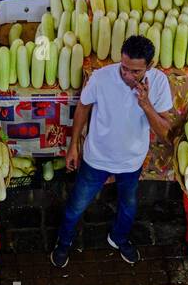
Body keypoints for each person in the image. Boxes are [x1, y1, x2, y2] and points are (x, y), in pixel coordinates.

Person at [51, 34, 174, 268]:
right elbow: (83, 107)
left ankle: (119, 238)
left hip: (131, 162)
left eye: (135, 72)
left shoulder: (159, 83)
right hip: (96, 158)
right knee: (77, 204)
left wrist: (146, 105)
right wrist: (73, 146)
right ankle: (64, 242)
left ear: (150, 66)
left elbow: (166, 132)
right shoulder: (101, 77)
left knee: (128, 206)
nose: (127, 75)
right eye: (124, 68)